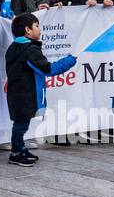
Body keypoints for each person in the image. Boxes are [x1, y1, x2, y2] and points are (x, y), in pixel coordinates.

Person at [5, 13, 77, 166]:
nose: (40, 30)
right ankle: (16, 152)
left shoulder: (15, 47)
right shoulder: (29, 49)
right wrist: (69, 61)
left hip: (19, 92)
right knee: (21, 124)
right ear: (27, 30)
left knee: (22, 122)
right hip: (24, 94)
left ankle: (20, 148)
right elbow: (48, 69)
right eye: (37, 26)